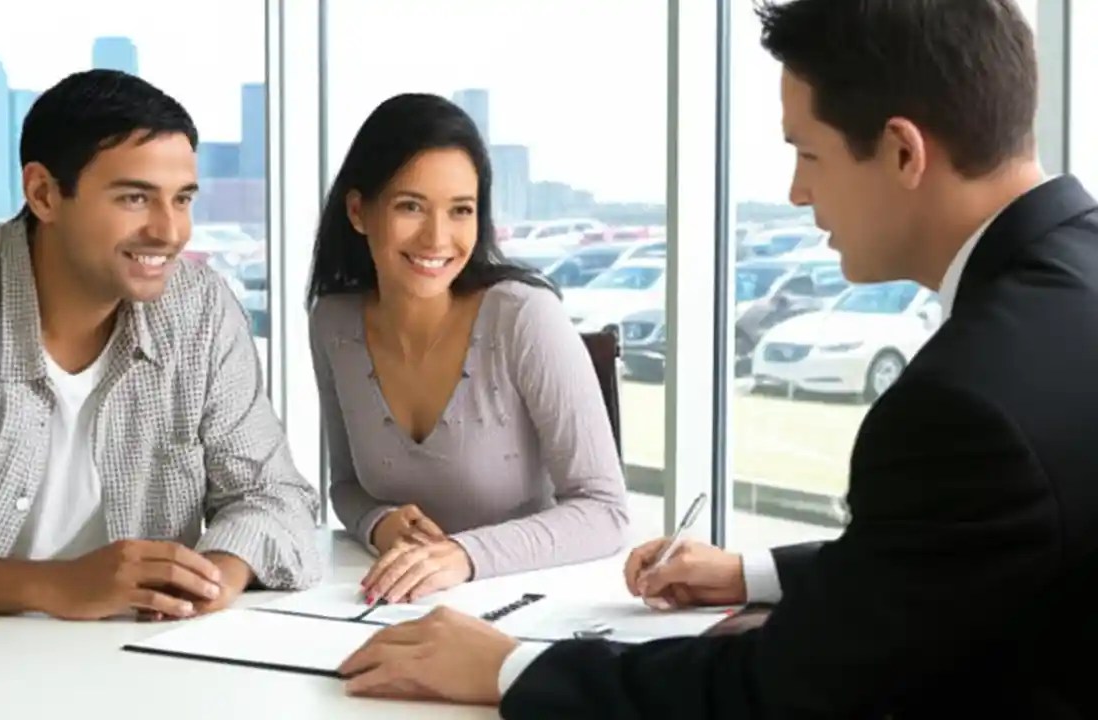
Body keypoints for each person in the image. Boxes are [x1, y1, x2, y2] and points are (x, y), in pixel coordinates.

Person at [335, 1, 1098, 717]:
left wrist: (508, 670)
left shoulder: (962, 403)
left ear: (903, 151)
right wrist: (750, 575)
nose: (797, 192)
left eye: (807, 153)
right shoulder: (1071, 282)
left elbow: (779, 692)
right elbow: (952, 549)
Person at [0, 69, 322, 621]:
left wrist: (212, 578)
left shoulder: (200, 309)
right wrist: (52, 587)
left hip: (144, 659)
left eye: (182, 200)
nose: (170, 231)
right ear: (43, 194)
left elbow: (275, 496)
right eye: (135, 198)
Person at [307, 93, 629, 604]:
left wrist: (462, 555)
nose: (438, 237)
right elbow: (346, 486)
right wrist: (379, 523)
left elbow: (604, 510)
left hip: (530, 610)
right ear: (358, 210)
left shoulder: (524, 316)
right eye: (410, 206)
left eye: (461, 210)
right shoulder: (333, 322)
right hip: (398, 607)